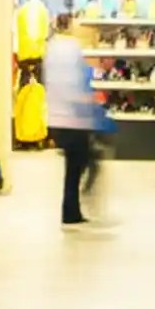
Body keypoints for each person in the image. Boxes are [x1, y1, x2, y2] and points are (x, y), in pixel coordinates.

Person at [43, 13, 98, 227]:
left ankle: (71, 208)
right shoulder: (71, 47)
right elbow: (77, 81)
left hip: (56, 116)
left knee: (73, 166)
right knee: (80, 163)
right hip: (74, 117)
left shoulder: (51, 47)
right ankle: (71, 209)